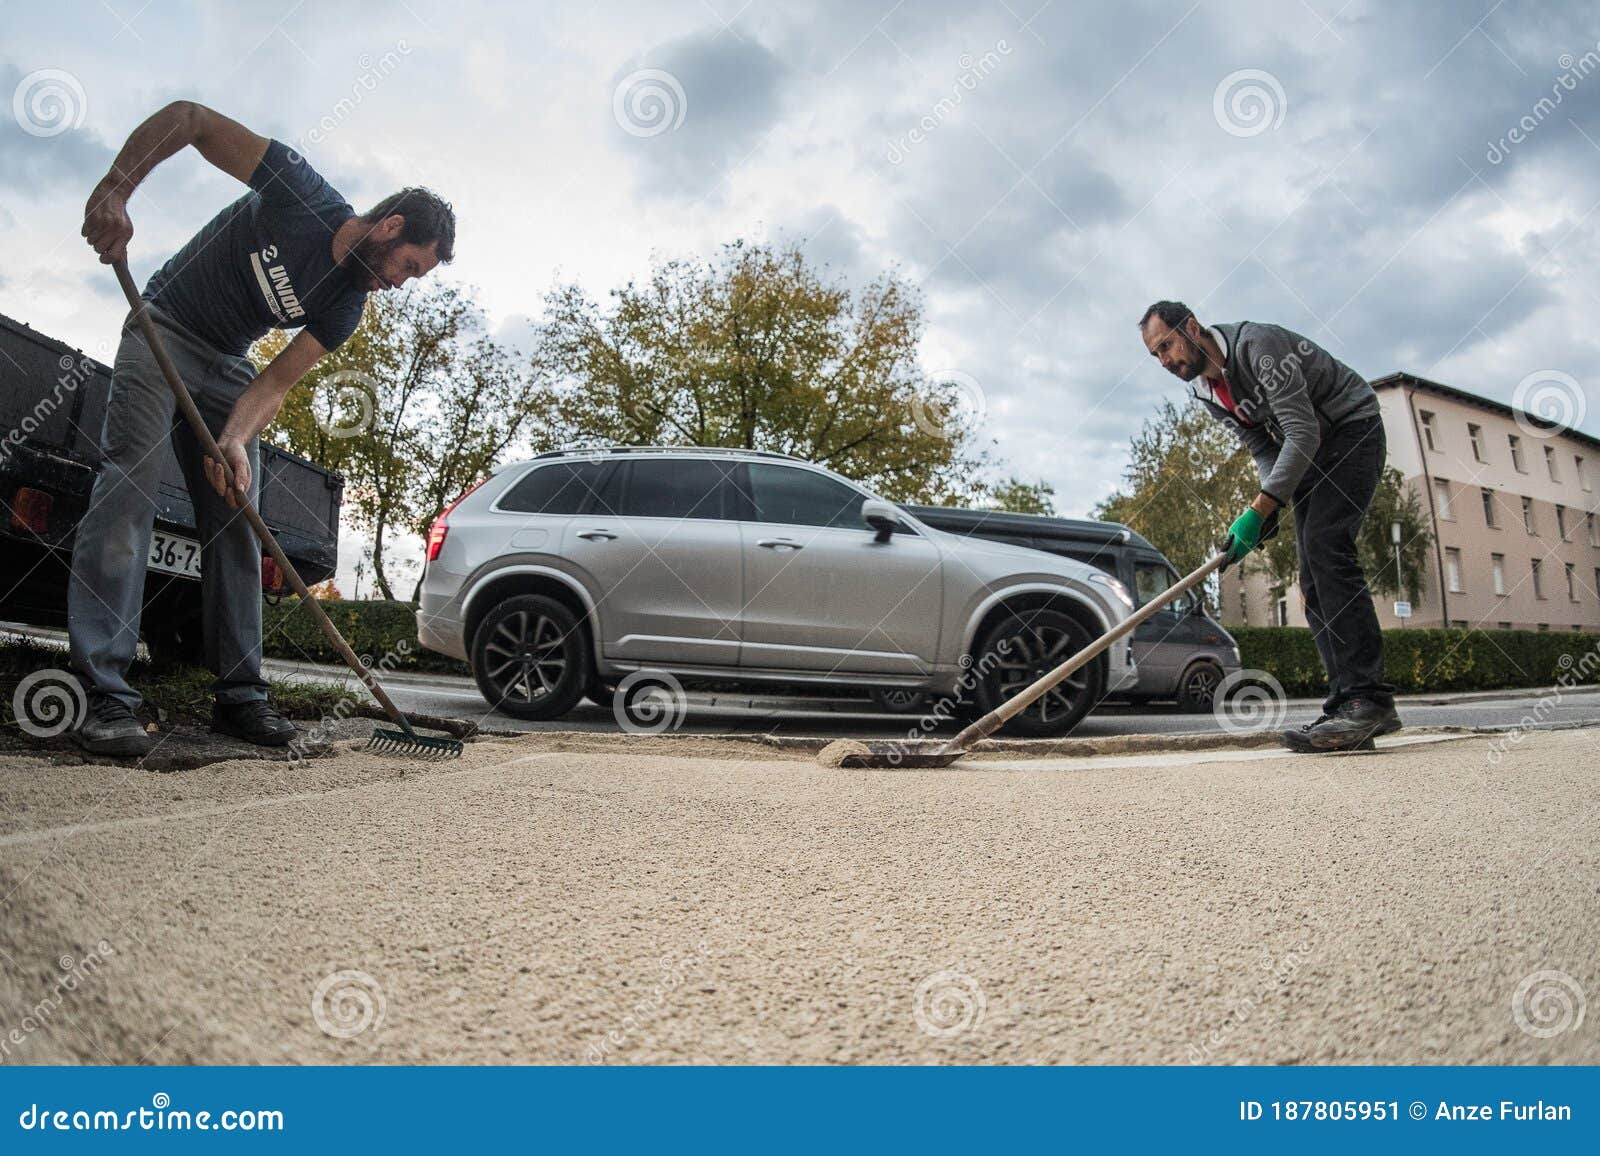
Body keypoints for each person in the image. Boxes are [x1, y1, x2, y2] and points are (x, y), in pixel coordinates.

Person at [72, 101, 455, 756]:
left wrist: (231, 440)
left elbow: (273, 384)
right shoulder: (296, 189)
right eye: (409, 266)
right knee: (129, 490)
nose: (400, 283)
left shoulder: (346, 307)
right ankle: (105, 696)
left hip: (228, 368)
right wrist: (114, 191)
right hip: (164, 325)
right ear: (390, 226)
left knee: (238, 511)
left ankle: (242, 699)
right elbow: (190, 119)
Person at [1138, 301, 1400, 752]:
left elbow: (1301, 432)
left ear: (1192, 327)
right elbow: (1262, 446)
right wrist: (1265, 511)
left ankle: (1369, 701)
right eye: (1155, 355)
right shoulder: (1205, 391)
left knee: (1326, 547)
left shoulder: (1259, 347)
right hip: (1313, 453)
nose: (1164, 361)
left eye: (1166, 346)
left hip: (1351, 430)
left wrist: (1262, 506)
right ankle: (1346, 705)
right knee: (1311, 575)